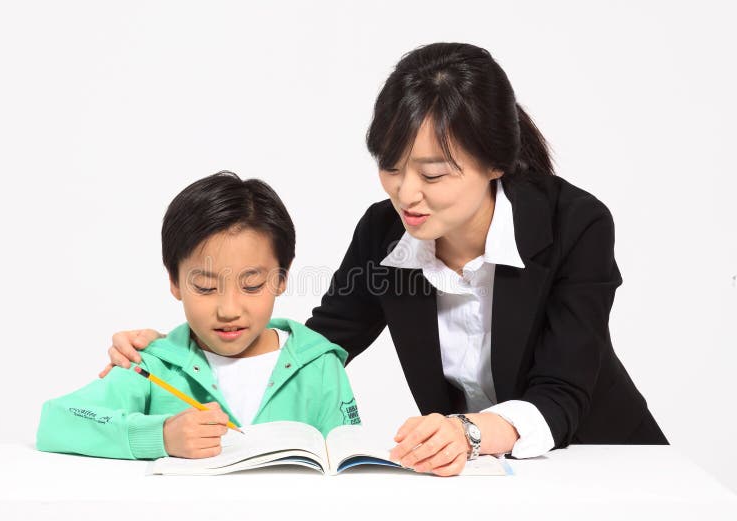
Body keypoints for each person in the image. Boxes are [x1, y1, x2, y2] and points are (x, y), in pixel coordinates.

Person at [101, 43, 667, 475]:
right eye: (392, 167)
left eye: (433, 173)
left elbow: (564, 390)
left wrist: (468, 432)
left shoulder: (576, 224)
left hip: (605, 462)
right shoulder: (383, 232)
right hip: (476, 480)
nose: (406, 194)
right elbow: (320, 347)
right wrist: (175, 354)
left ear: (495, 163)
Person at [37, 171, 360, 460]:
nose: (229, 310)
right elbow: (56, 421)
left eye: (252, 285)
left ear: (281, 279)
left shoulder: (319, 367)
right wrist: (160, 436)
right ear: (175, 282)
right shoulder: (154, 365)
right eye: (206, 287)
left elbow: (351, 463)